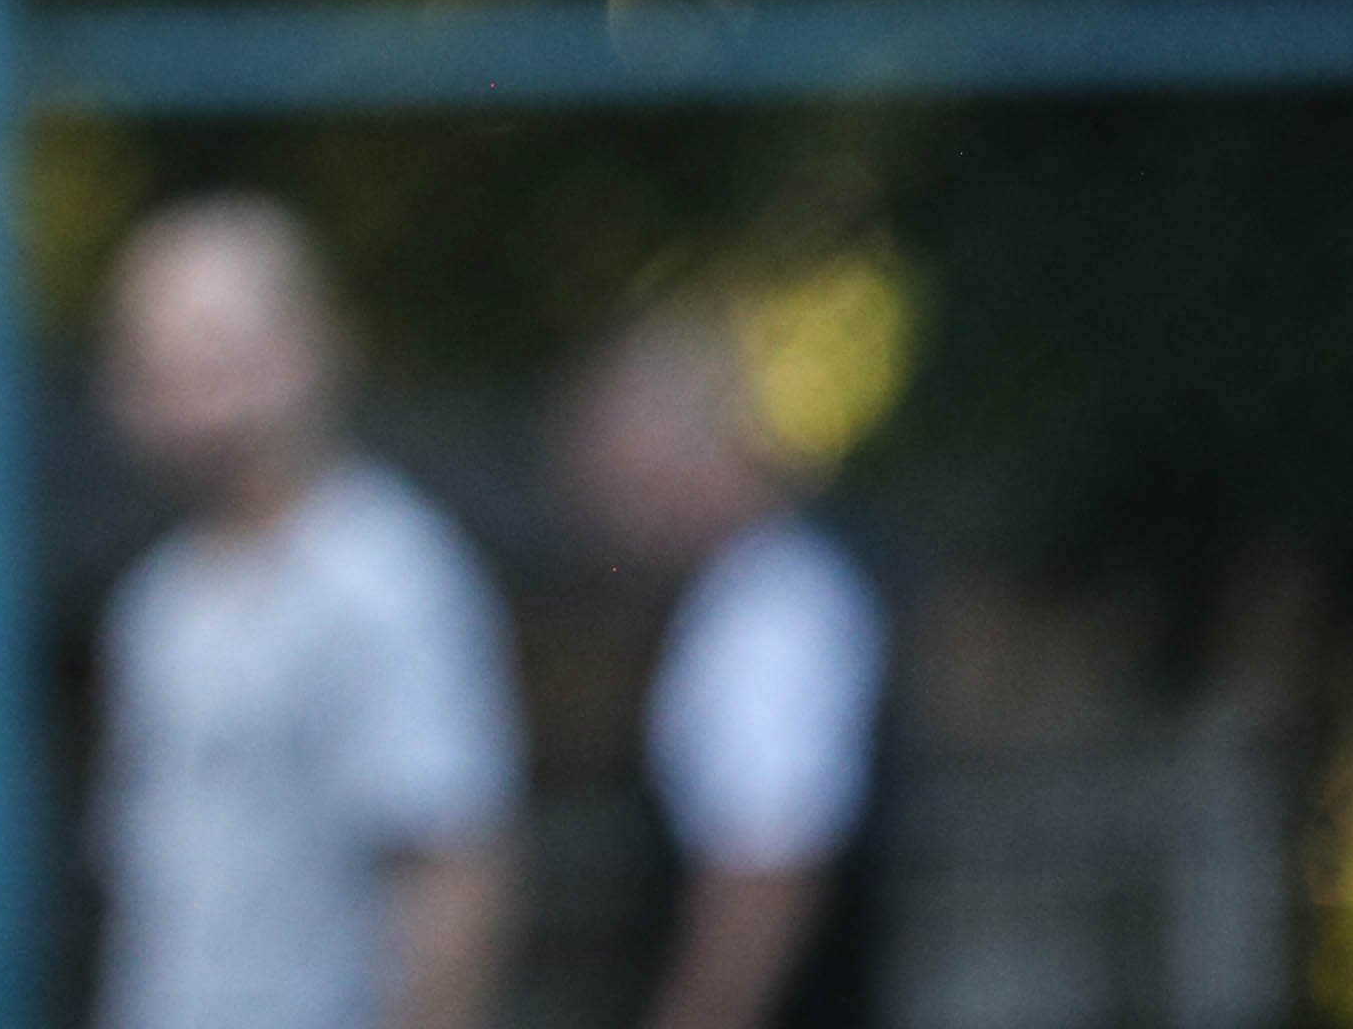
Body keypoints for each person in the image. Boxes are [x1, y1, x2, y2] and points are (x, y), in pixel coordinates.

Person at [91, 196, 525, 1029]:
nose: (191, 399)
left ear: (309, 348)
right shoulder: (159, 598)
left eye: (218, 354)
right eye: (157, 363)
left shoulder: (387, 579)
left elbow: (454, 875)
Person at [562, 303, 891, 1029]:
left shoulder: (768, 613)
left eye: (619, 469)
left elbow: (762, 872)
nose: (604, 504)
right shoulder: (761, 592)